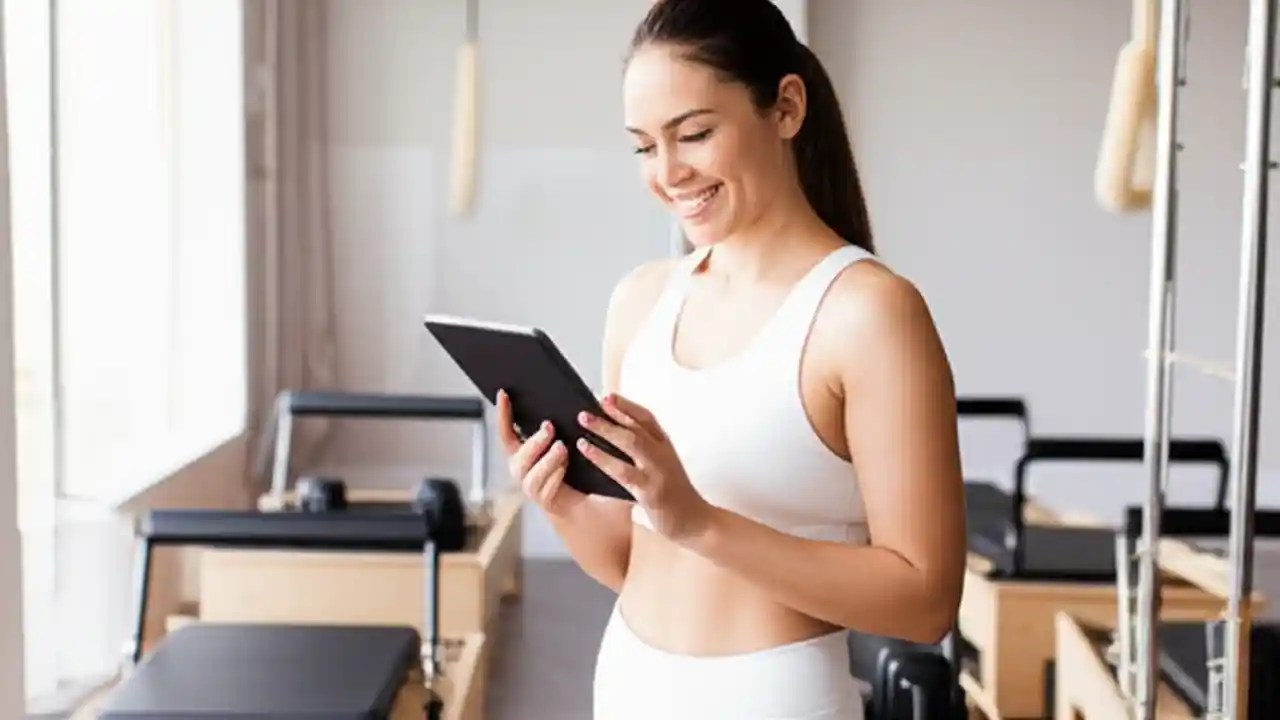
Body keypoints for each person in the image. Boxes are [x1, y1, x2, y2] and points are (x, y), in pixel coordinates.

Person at [495, 0, 966, 717]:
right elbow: (630, 562)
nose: (669, 172)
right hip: (627, 684)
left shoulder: (867, 312)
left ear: (785, 108)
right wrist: (560, 504)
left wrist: (700, 522)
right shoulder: (641, 300)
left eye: (695, 134)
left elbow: (926, 598)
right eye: (645, 147)